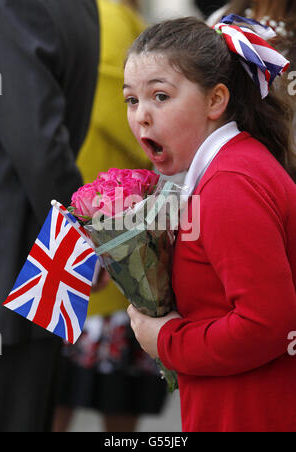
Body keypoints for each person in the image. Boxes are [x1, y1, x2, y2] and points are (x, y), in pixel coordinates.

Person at [125, 16, 296, 432]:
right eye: (131, 100)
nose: (141, 117)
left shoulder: (229, 184)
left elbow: (268, 325)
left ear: (215, 100)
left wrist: (166, 342)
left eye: (160, 96)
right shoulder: (233, 166)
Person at [53, 0, 167, 433]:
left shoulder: (106, 15)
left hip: (92, 230)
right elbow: (122, 119)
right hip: (109, 236)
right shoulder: (113, 18)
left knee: (63, 391)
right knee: (105, 396)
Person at [0, 0, 99, 432]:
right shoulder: (83, 6)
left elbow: (37, 142)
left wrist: (82, 235)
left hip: (18, 249)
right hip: (47, 248)